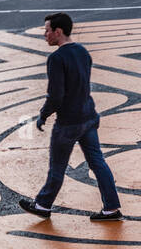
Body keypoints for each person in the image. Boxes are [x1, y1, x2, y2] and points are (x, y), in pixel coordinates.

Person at [19, 12, 124, 222]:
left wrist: (43, 114)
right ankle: (112, 208)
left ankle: (42, 205)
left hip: (68, 122)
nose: (45, 35)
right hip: (88, 116)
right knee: (98, 162)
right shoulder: (83, 52)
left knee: (57, 166)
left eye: (47, 30)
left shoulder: (56, 58)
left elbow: (56, 95)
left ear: (58, 32)